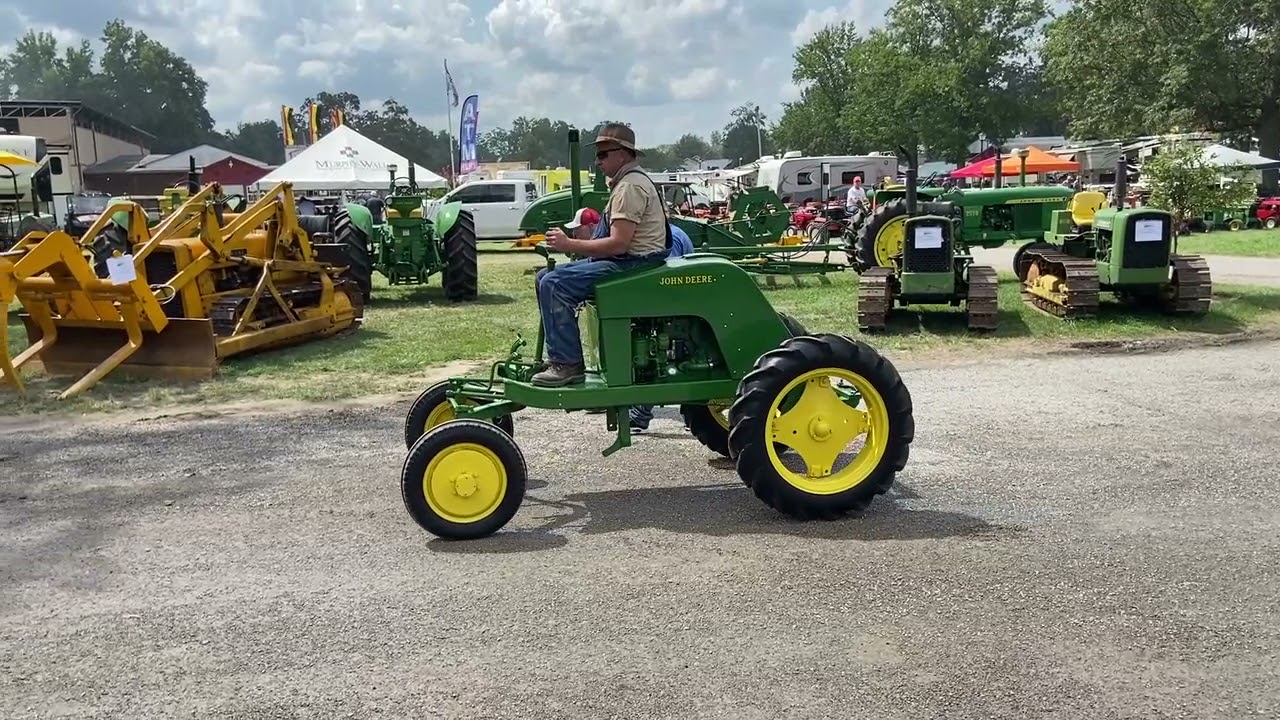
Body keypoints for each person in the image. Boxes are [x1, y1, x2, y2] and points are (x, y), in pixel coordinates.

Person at [533, 123, 673, 387]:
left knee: (553, 283)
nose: (597, 161)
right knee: (544, 277)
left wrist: (568, 245)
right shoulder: (628, 182)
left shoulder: (630, 187)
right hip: (632, 261)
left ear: (622, 153)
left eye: (602, 155)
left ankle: (567, 364)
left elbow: (619, 245)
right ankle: (560, 359)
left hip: (633, 265)